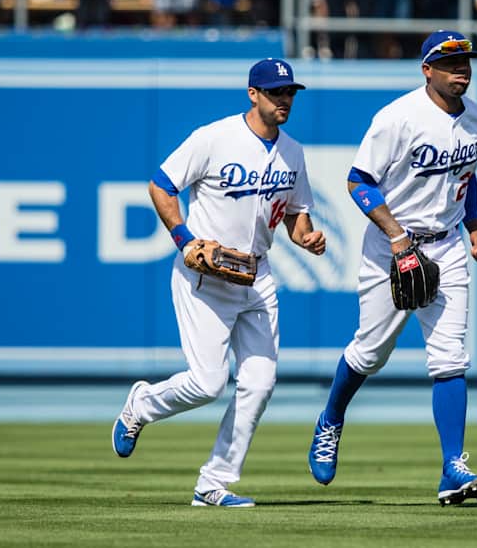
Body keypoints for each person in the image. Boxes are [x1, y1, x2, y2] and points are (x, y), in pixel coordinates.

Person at [113, 58, 326, 509]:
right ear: (253, 94)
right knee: (208, 384)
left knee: (260, 381)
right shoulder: (214, 137)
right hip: (206, 274)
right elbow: (161, 185)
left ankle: (214, 483)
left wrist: (306, 237)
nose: (284, 100)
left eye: (289, 93)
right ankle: (142, 405)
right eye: (275, 92)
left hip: (257, 274)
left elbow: (294, 214)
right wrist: (183, 238)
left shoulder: (293, 151)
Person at [308, 29, 477, 506]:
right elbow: (358, 182)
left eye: (466, 62)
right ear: (426, 70)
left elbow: (465, 176)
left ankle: (453, 467)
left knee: (450, 357)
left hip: (448, 246)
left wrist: (473, 226)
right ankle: (331, 418)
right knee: (370, 353)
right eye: (449, 62)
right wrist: (396, 236)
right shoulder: (397, 118)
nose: (461, 70)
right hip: (390, 246)